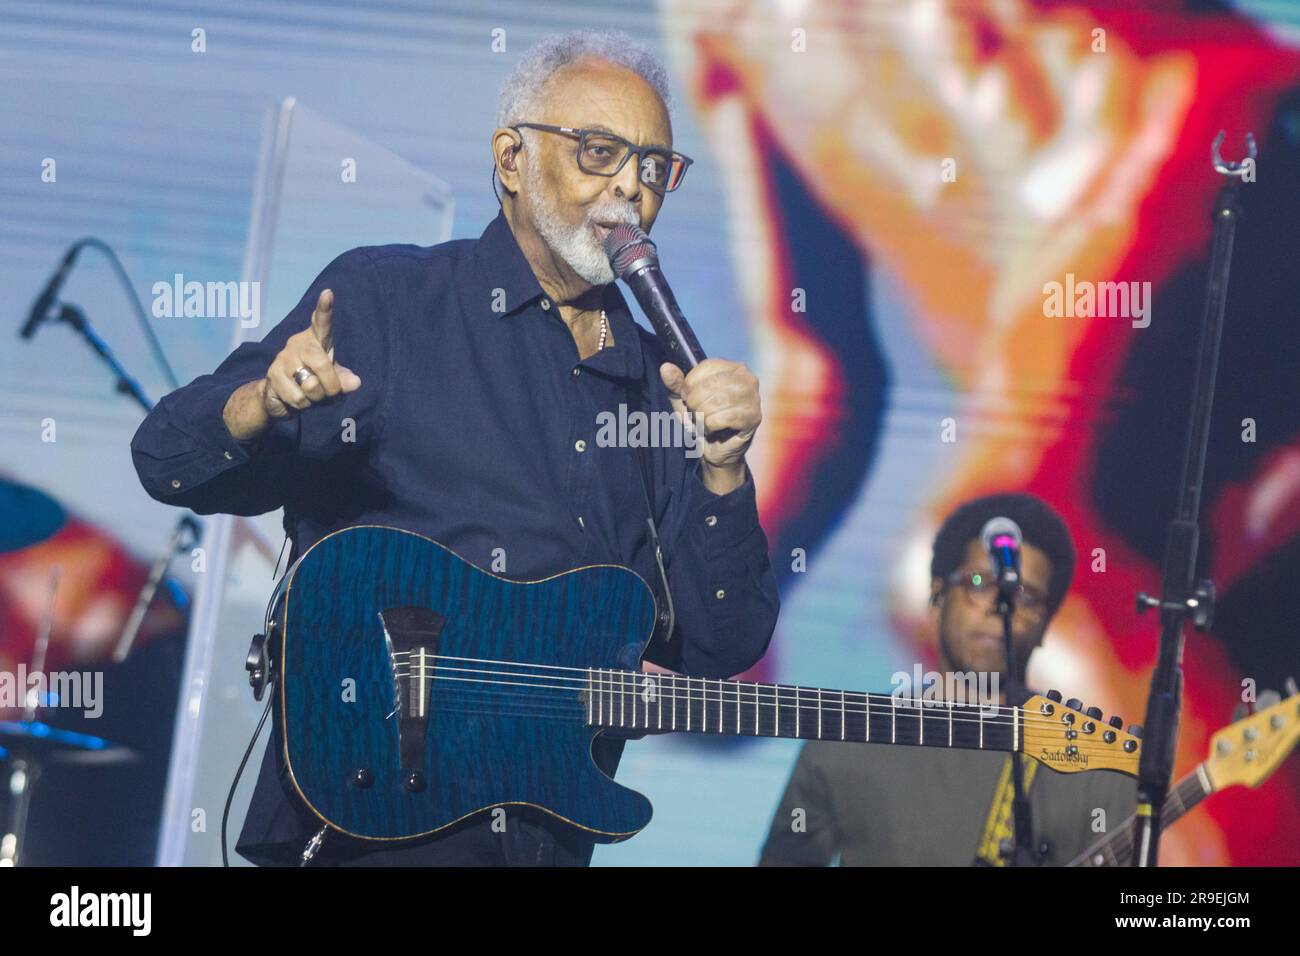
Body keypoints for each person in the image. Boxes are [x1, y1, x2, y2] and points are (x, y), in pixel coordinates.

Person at [131, 30, 780, 866]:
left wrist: (724, 470)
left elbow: (720, 645)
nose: (631, 186)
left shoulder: (662, 385)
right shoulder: (389, 302)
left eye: (655, 167)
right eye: (599, 152)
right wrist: (263, 403)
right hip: (367, 821)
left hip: (549, 839)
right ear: (511, 158)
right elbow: (165, 457)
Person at [760, 493, 1134, 866]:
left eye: (1025, 595)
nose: (998, 605)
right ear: (937, 597)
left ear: (1045, 626)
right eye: (977, 582)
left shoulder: (1095, 764)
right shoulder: (848, 740)